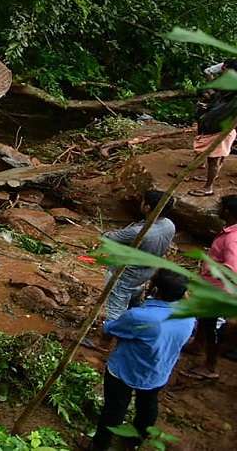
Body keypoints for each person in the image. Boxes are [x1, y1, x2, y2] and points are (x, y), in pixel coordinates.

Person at [91, 269, 195, 450]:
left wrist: (105, 326)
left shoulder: (140, 316)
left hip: (124, 371)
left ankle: (100, 445)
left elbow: (112, 329)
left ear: (155, 289)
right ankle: (135, 441)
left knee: (114, 409)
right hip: (158, 372)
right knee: (148, 406)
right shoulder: (189, 317)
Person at [100, 191, 178, 323]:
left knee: (115, 307)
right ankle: (134, 322)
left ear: (147, 207)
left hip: (126, 274)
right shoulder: (169, 225)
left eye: (143, 201)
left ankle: (109, 335)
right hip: (148, 272)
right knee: (135, 299)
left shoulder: (138, 232)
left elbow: (109, 238)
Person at [190, 195, 237, 379]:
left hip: (217, 291)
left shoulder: (232, 239)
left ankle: (210, 366)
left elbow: (232, 267)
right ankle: (196, 345)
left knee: (212, 327)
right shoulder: (230, 233)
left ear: (228, 211)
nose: (217, 208)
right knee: (204, 319)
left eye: (221, 206)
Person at [190, 67, 237, 196]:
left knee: (213, 160)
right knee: (215, 159)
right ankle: (210, 180)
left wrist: (228, 130)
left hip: (221, 130)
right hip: (216, 127)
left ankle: (208, 187)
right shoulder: (227, 90)